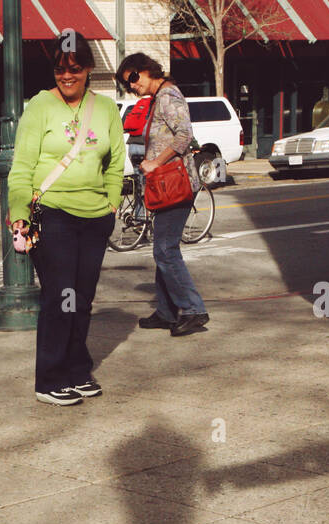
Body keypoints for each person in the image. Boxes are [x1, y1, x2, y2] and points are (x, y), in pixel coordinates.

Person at [9, 32, 123, 406]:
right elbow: (22, 166)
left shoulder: (105, 109)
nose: (67, 75)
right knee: (60, 296)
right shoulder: (39, 107)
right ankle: (49, 379)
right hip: (53, 213)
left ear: (89, 68)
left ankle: (77, 369)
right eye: (60, 69)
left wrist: (112, 203)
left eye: (74, 68)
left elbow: (116, 162)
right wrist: (20, 211)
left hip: (95, 217)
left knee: (83, 298)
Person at [119, 53, 209, 336]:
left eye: (134, 78)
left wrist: (156, 162)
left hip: (176, 183)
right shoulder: (160, 97)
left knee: (165, 250)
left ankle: (194, 310)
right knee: (163, 247)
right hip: (166, 185)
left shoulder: (168, 95)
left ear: (147, 70)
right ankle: (167, 312)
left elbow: (184, 135)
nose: (133, 86)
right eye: (128, 83)